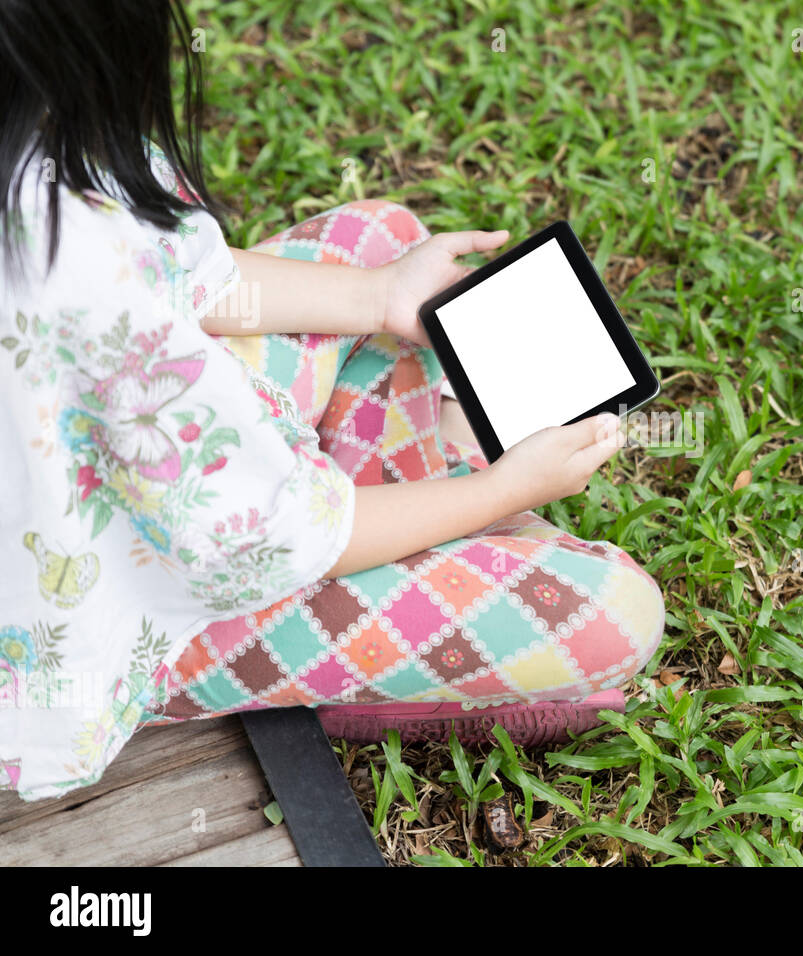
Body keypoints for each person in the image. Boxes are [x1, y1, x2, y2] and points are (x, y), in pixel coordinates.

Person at [0, 0, 664, 801]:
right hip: (98, 642)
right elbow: (273, 542)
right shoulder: (66, 262)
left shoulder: (38, 162)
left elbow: (180, 276)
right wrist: (502, 490)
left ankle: (418, 522)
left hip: (121, 493)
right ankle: (359, 659)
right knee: (617, 614)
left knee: (379, 240)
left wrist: (382, 295)